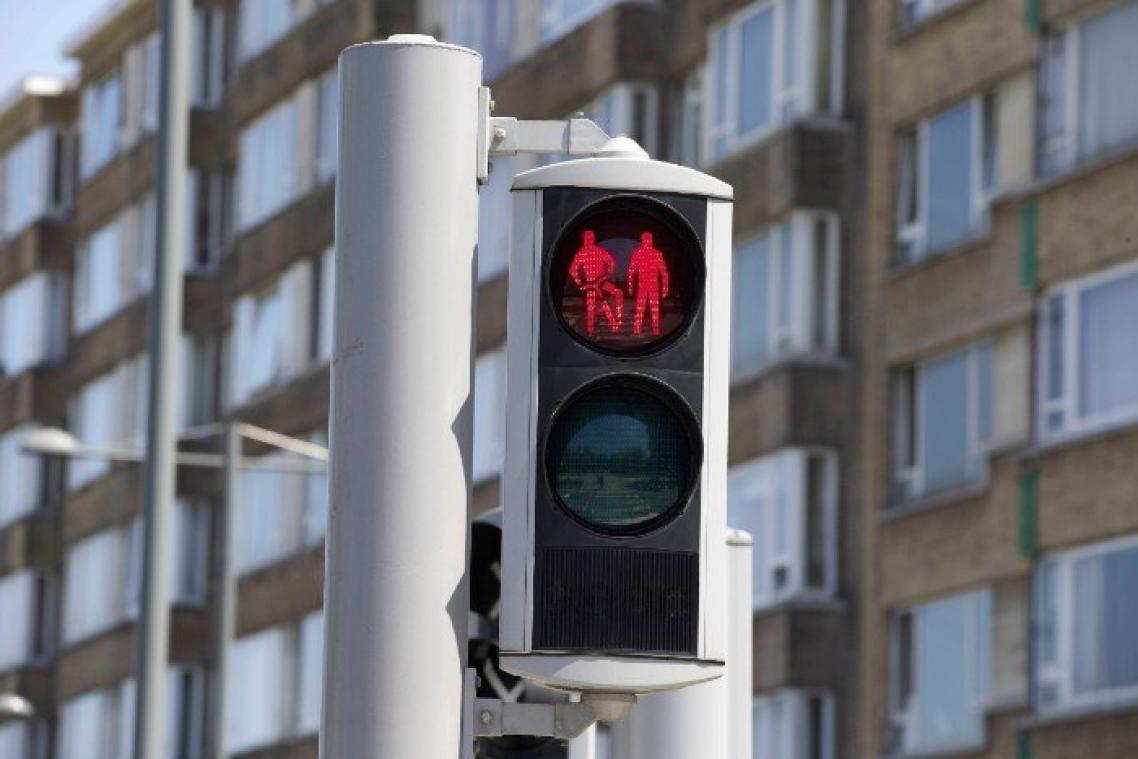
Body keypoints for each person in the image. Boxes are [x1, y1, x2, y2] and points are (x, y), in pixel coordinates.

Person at [568, 230, 624, 335]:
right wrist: (580, 283)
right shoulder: (581, 253)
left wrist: (607, 274)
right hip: (590, 284)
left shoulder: (599, 251)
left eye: (590, 238)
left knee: (618, 293)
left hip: (602, 281)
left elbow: (611, 261)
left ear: (593, 239)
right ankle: (593, 330)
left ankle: (617, 318)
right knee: (591, 310)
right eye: (587, 238)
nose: (588, 240)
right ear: (584, 239)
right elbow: (572, 270)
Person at [626, 230, 670, 335]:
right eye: (645, 240)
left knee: (654, 308)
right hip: (643, 284)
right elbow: (631, 272)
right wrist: (630, 286)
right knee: (640, 308)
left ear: (651, 240)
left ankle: (654, 329)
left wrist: (665, 288)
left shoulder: (656, 254)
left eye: (649, 239)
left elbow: (664, 272)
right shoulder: (638, 254)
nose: (647, 241)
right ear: (643, 240)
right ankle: (637, 329)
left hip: (653, 284)